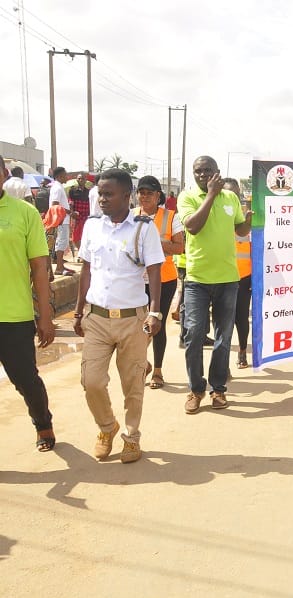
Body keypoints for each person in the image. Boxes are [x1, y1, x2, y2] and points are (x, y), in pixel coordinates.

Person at [73, 169, 165, 464]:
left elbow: (154, 271)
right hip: (97, 318)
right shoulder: (92, 227)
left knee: (132, 384)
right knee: (92, 381)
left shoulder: (144, 228)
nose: (102, 199)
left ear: (127, 195)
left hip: (132, 319)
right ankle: (106, 426)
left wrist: (154, 312)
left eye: (109, 194)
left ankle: (131, 437)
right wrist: (78, 312)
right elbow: (86, 269)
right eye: (100, 193)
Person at [178, 156, 251, 413]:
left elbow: (240, 231)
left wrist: (250, 216)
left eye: (208, 170)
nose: (203, 174)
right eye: (198, 171)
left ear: (217, 172)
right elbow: (193, 226)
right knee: (194, 335)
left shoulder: (231, 199)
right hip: (197, 280)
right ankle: (196, 388)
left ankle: (218, 389)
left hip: (228, 279)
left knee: (223, 337)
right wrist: (210, 195)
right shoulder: (187, 197)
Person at [0, 156, 57, 452]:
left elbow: (38, 267)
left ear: (4, 174)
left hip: (14, 315)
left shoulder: (24, 212)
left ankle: (42, 422)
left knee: (24, 379)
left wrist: (44, 317)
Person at [136, 175, 184, 389]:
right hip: (136, 281)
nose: (144, 196)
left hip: (164, 279)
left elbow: (179, 247)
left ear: (158, 195)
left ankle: (157, 370)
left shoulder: (171, 217)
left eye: (149, 193)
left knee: (157, 325)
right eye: (141, 192)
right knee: (134, 326)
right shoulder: (129, 216)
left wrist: (154, 245)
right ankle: (142, 364)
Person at [224, 178, 252, 369]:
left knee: (241, 318)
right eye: (227, 193)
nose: (231, 196)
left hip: (244, 278)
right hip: (221, 277)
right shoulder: (214, 216)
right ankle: (222, 359)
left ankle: (242, 351)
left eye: (234, 193)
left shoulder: (249, 218)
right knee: (223, 320)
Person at [48, 167, 74, 275]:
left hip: (62, 219)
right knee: (61, 242)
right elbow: (55, 204)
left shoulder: (58, 187)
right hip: (61, 220)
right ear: (59, 176)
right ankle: (59, 268)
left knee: (62, 242)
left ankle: (61, 265)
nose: (67, 176)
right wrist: (70, 212)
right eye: (65, 174)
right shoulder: (57, 188)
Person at [69, 173, 91, 250]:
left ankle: (83, 254)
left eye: (82, 178)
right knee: (75, 237)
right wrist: (72, 213)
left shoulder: (89, 192)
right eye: (79, 178)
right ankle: (81, 252)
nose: (80, 180)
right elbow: (71, 202)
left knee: (86, 235)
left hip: (86, 217)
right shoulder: (72, 190)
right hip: (76, 217)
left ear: (86, 180)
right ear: (77, 180)